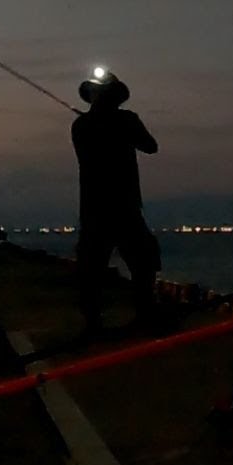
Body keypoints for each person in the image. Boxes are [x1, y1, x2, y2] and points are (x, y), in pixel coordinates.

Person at [72, 71, 162, 336]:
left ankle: (97, 322)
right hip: (115, 208)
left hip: (100, 208)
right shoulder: (112, 122)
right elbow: (150, 146)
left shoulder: (83, 125)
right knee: (133, 262)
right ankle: (115, 319)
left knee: (104, 265)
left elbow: (150, 146)